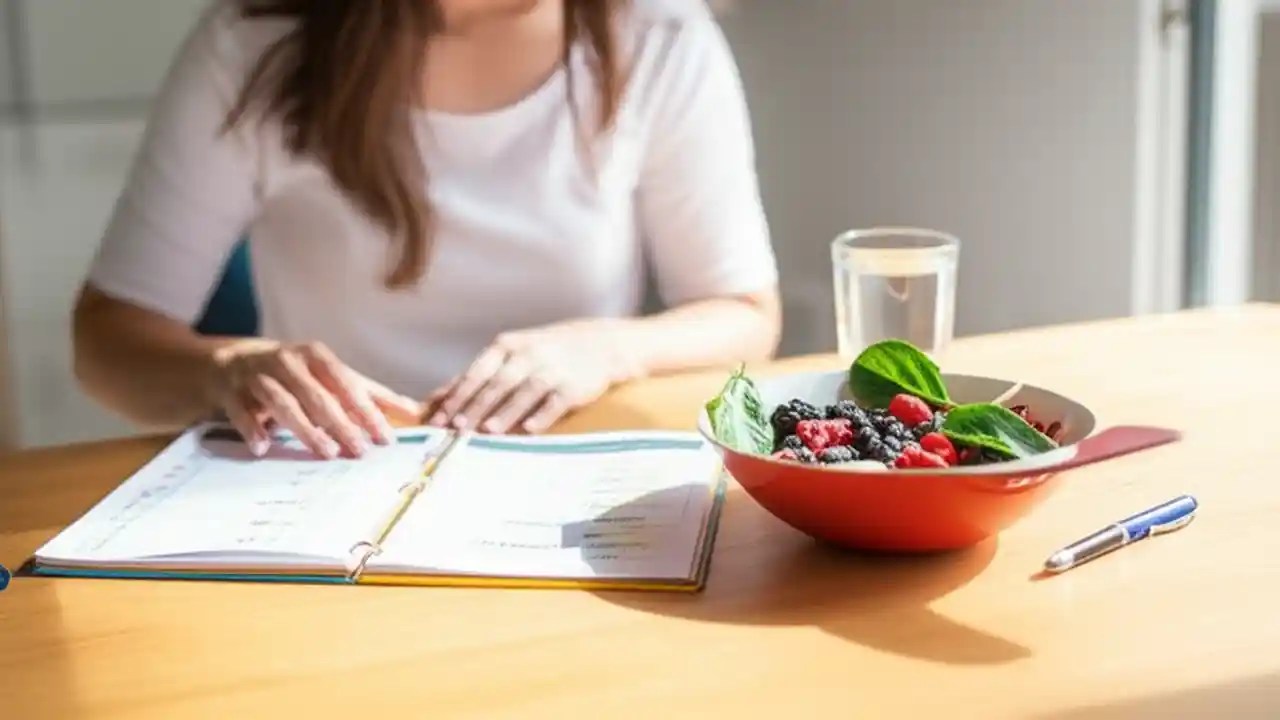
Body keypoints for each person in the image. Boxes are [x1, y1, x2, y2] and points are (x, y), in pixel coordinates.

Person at [73, 0, 780, 460]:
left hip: (571, 483)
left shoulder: (661, 39)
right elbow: (106, 341)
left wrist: (608, 346)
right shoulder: (253, 45)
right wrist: (228, 370)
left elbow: (744, 314)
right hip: (331, 480)